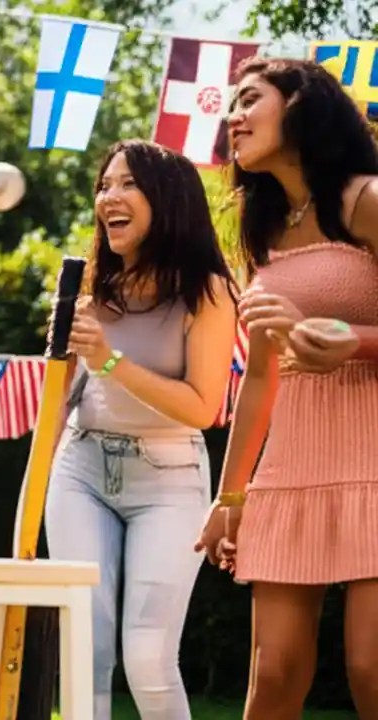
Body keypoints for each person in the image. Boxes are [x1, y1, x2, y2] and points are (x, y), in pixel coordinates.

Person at [195, 57, 378, 718]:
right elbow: (262, 375)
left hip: (374, 461)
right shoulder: (262, 229)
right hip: (292, 467)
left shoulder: (366, 199)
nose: (232, 116)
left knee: (371, 667)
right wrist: (230, 495)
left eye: (249, 99)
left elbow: (334, 338)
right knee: (273, 677)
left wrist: (352, 341)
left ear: (302, 105)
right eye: (230, 106)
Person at [44, 139, 238, 719]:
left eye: (127, 183)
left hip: (169, 478)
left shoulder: (208, 291)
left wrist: (108, 359)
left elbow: (203, 407)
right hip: (79, 470)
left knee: (149, 656)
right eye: (105, 185)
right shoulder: (88, 285)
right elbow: (60, 397)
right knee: (85, 647)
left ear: (168, 199)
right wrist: (31, 499)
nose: (109, 197)